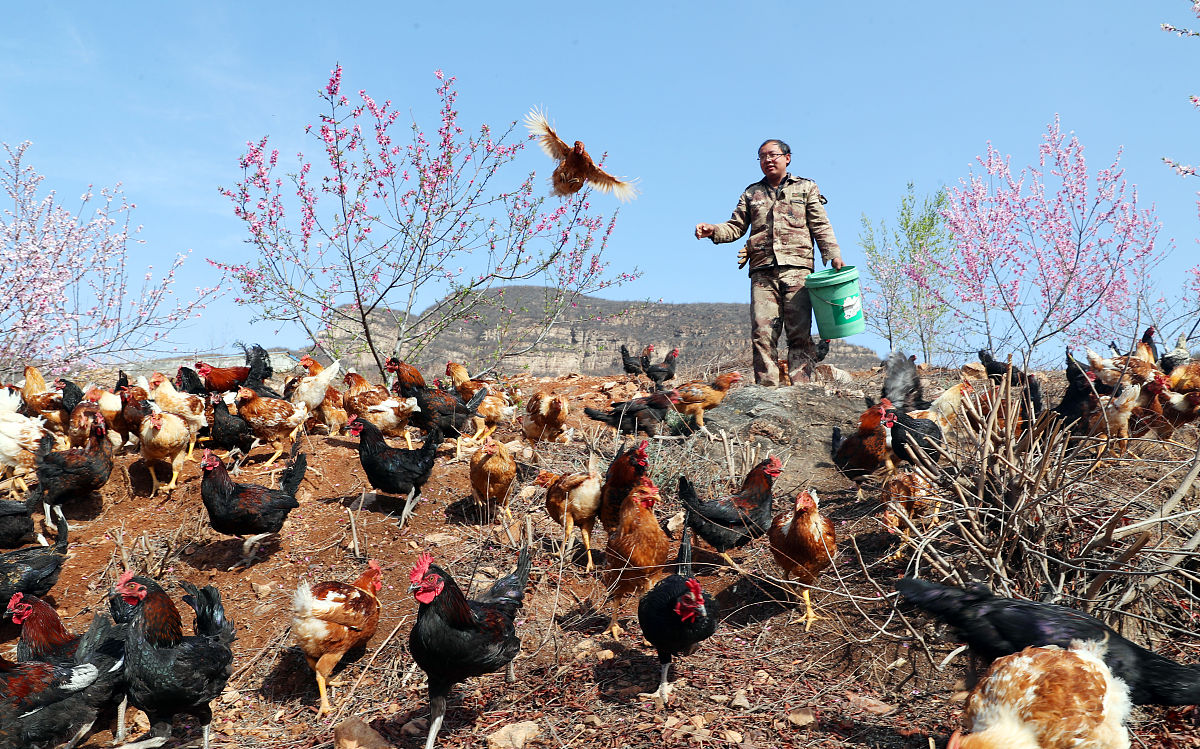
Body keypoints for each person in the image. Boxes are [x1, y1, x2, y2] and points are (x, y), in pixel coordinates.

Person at [695, 139, 844, 385]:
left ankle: (802, 388)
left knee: (799, 333)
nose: (768, 160)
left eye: (773, 155)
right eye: (762, 157)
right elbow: (735, 227)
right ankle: (767, 389)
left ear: (787, 157)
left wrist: (833, 254)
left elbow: (820, 224)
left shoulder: (805, 188)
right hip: (763, 271)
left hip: (798, 269)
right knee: (762, 334)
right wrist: (713, 230)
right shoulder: (751, 193)